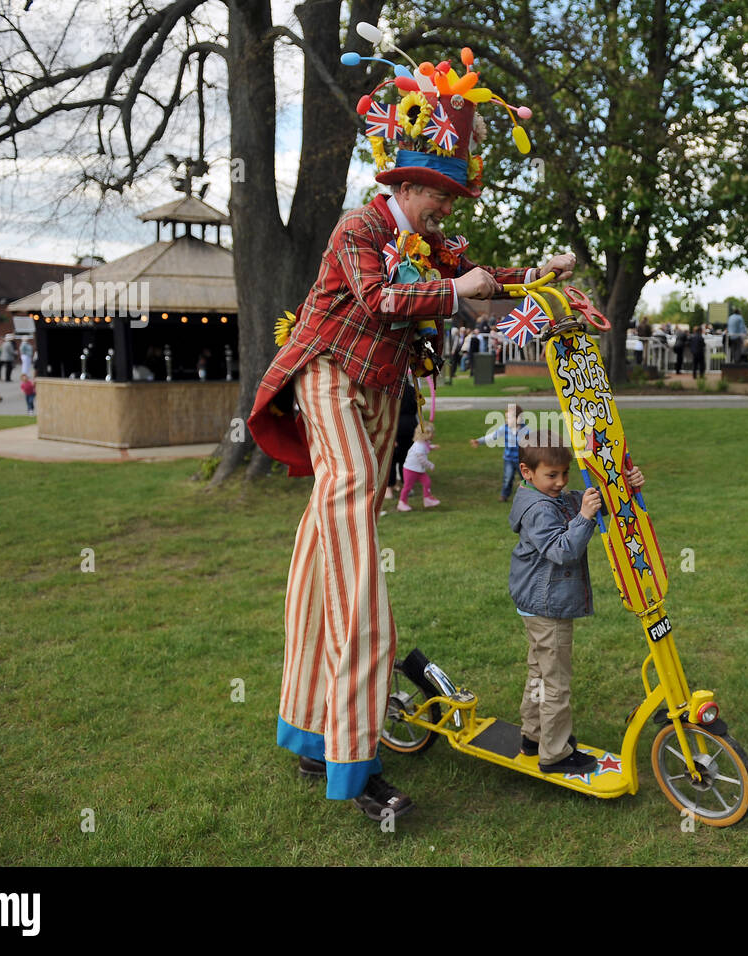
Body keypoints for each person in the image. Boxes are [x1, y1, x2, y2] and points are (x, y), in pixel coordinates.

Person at [246, 42, 563, 823]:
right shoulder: (359, 227)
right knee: (353, 546)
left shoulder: (431, 243)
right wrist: (457, 292)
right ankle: (354, 755)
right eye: (441, 198)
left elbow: (479, 274)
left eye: (453, 201)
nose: (447, 211)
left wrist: (539, 274)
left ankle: (310, 727)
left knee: (329, 550)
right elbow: (384, 299)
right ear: (410, 182)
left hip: (383, 395)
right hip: (326, 375)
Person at [508, 439, 645, 772]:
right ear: (527, 472)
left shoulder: (549, 496)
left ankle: (533, 735)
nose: (562, 482)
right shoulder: (540, 509)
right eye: (552, 475)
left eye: (566, 473)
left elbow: (592, 503)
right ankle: (555, 753)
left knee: (540, 674)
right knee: (555, 682)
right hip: (548, 607)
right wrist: (584, 517)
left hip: (537, 604)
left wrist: (624, 485)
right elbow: (561, 550)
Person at [471, 402, 531, 502]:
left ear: (518, 419)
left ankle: (531, 495)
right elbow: (492, 436)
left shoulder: (526, 430)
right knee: (507, 478)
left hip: (522, 461)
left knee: (526, 479)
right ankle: (504, 495)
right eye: (506, 418)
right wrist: (479, 441)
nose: (507, 420)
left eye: (509, 418)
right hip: (508, 459)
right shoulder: (505, 428)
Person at [387, 379, 419, 501]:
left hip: (395, 424)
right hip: (411, 425)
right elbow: (416, 408)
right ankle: (407, 486)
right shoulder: (412, 390)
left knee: (391, 459)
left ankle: (389, 488)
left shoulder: (392, 390)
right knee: (406, 459)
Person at [397, 423, 440, 511]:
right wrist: (430, 465)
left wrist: (432, 447)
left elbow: (427, 446)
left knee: (427, 482)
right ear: (425, 434)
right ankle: (402, 503)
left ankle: (427, 499)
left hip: (419, 470)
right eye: (432, 433)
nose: (433, 435)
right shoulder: (419, 446)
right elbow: (422, 460)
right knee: (407, 487)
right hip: (410, 470)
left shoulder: (423, 443)